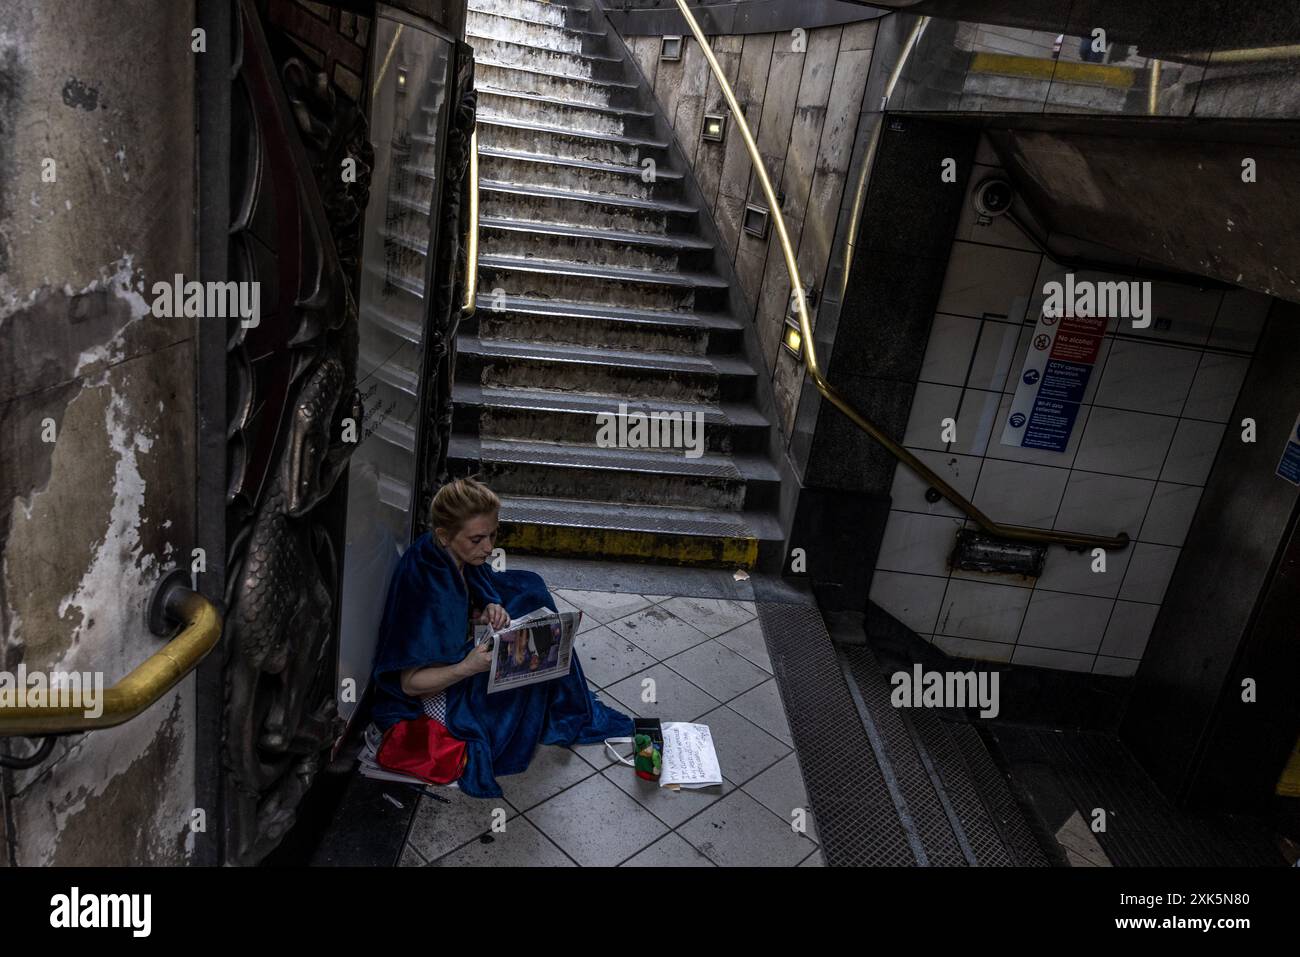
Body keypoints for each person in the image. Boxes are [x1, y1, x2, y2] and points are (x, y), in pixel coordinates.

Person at [369, 477, 632, 798]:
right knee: (526, 675)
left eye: (493, 534)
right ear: (443, 536)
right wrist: (468, 667)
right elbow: (409, 684)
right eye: (477, 539)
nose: (489, 548)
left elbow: (472, 587)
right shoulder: (426, 587)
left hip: (462, 654)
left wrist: (488, 605)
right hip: (435, 694)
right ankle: (539, 700)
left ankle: (542, 680)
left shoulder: (448, 553)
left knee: (530, 590)